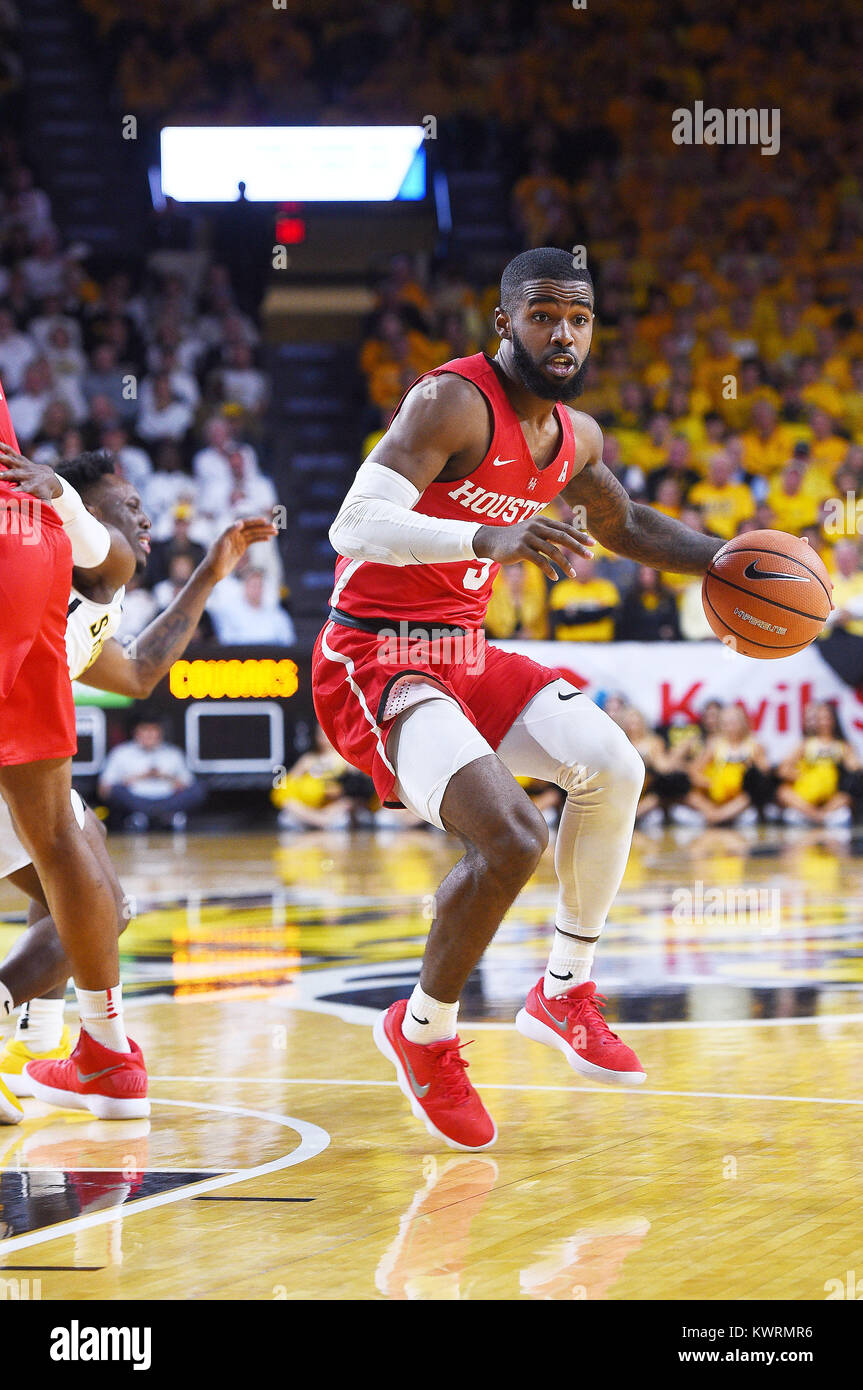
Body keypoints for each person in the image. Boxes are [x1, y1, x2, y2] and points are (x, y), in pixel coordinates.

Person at [313, 246, 722, 1150]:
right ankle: (422, 1033)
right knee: (511, 839)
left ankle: (565, 988)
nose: (563, 333)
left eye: (577, 317)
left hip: (465, 652)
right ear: (505, 324)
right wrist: (483, 538)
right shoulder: (449, 401)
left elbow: (628, 527)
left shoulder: (575, 437)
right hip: (375, 655)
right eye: (543, 315)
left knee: (614, 762)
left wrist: (725, 560)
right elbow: (353, 524)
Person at [0, 444, 276, 1114]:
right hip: (11, 759)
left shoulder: (91, 601)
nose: (146, 519)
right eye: (131, 505)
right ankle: (47, 1027)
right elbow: (106, 554)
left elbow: (138, 673)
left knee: (94, 905)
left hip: (16, 758)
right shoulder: (82, 559)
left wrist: (209, 575)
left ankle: (36, 1024)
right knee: (93, 902)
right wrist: (59, 495)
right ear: (88, 510)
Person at [98, 720, 203, 831]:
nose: (149, 735)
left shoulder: (173, 753)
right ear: (136, 733)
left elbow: (188, 783)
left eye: (153, 731)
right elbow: (104, 788)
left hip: (168, 799)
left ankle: (158, 815)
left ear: (160, 733)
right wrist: (141, 776)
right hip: (136, 800)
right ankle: (154, 816)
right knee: (117, 791)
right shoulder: (121, 752)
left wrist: (164, 776)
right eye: (145, 731)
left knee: (198, 788)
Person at [775, 701, 857, 827]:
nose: (823, 722)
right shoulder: (806, 744)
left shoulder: (842, 746)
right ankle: (814, 814)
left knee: (847, 796)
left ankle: (822, 814)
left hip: (831, 795)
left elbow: (854, 767)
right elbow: (783, 769)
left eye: (827, 718)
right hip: (807, 794)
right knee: (783, 792)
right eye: (819, 718)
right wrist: (803, 776)